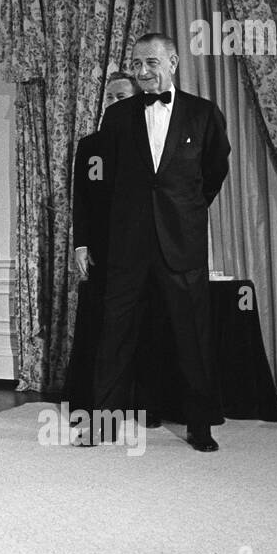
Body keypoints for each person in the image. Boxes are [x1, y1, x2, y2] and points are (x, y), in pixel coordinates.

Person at [89, 33, 231, 451]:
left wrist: (184, 213)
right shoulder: (116, 117)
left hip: (180, 243)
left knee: (192, 337)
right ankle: (102, 424)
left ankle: (199, 427)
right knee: (114, 336)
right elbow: (107, 180)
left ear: (173, 63)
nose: (144, 71)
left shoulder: (203, 113)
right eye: (137, 64)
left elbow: (214, 171)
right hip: (127, 244)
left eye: (152, 62)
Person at [67, 72, 163, 427]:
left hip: (144, 248)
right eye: (108, 97)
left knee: (146, 325)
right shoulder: (91, 145)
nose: (112, 102)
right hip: (103, 249)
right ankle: (93, 405)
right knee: (99, 324)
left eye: (120, 96)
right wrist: (81, 243)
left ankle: (146, 405)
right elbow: (83, 199)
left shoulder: (153, 142)